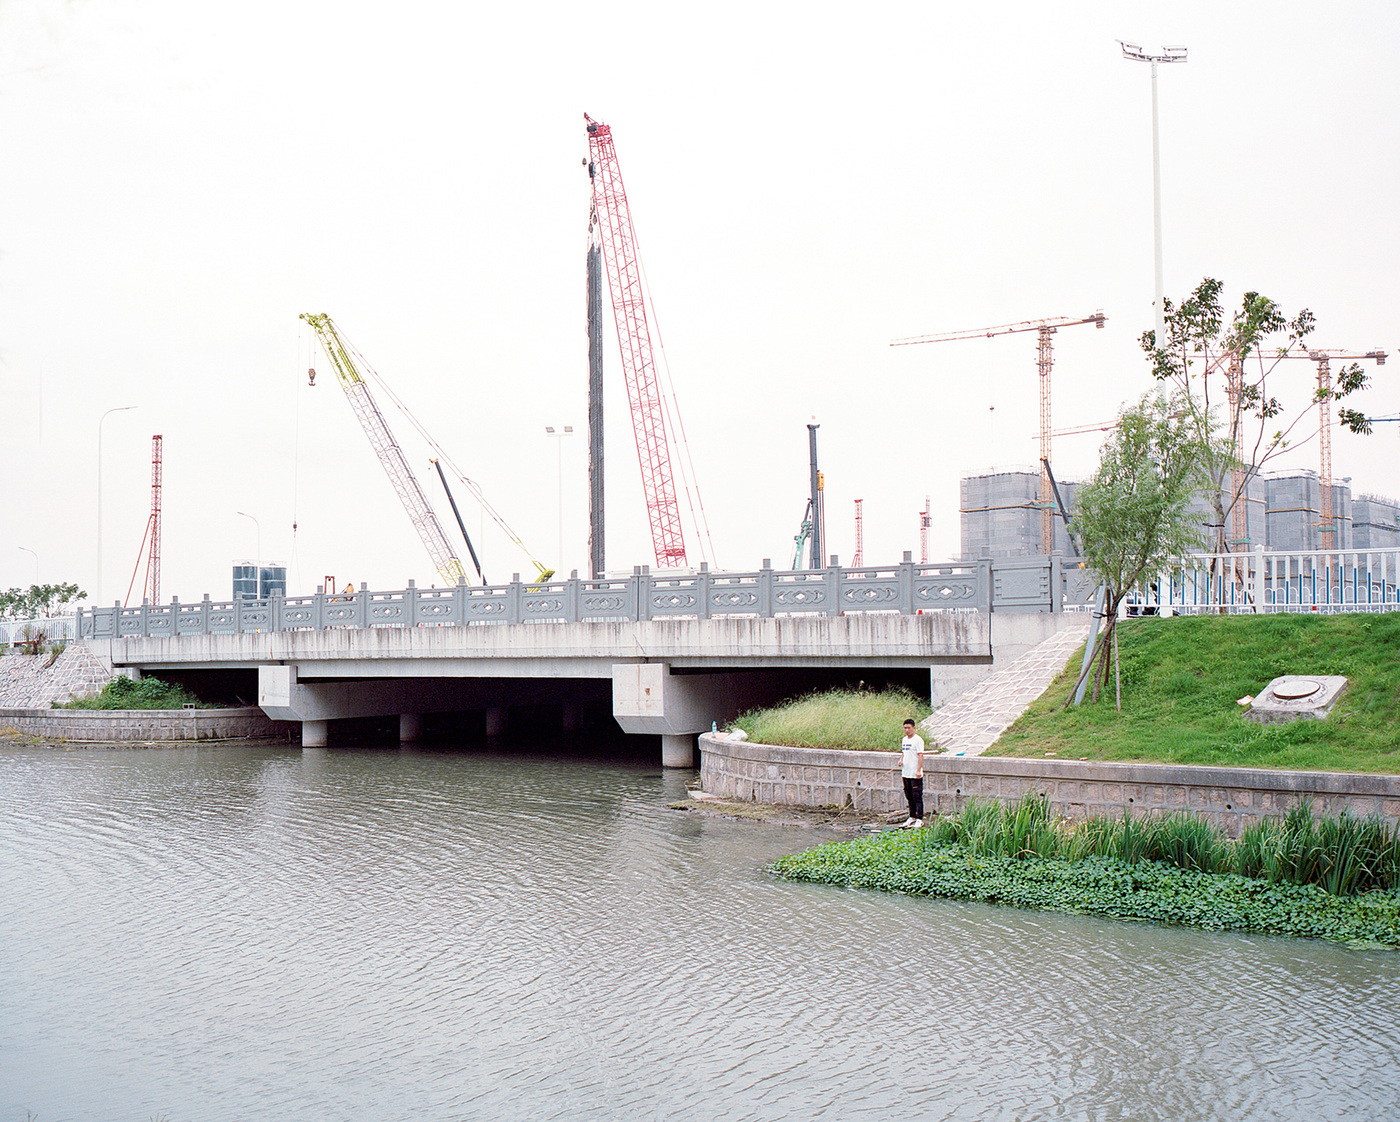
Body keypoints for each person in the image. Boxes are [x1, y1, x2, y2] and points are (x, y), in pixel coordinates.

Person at [899, 718, 925, 828]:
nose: (907, 730)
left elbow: (920, 755)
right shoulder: (904, 740)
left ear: (913, 728)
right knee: (909, 795)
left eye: (909, 728)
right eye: (905, 728)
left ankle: (919, 818)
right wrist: (901, 760)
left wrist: (918, 770)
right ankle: (912, 816)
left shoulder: (918, 740)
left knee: (917, 796)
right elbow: (904, 752)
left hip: (915, 773)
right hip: (906, 772)